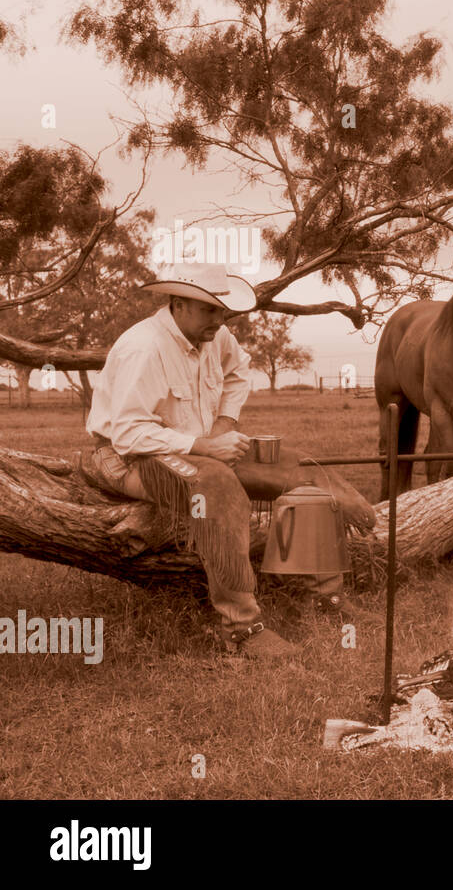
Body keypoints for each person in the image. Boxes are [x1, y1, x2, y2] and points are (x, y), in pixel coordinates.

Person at [82, 263, 370, 660]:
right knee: (217, 487)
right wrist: (204, 446)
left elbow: (239, 371)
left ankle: (327, 599)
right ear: (178, 304)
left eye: (222, 311)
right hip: (126, 457)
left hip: (196, 446)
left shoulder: (213, 335)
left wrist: (222, 426)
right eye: (209, 310)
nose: (219, 321)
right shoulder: (144, 348)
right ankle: (242, 630)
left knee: (303, 471)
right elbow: (128, 434)